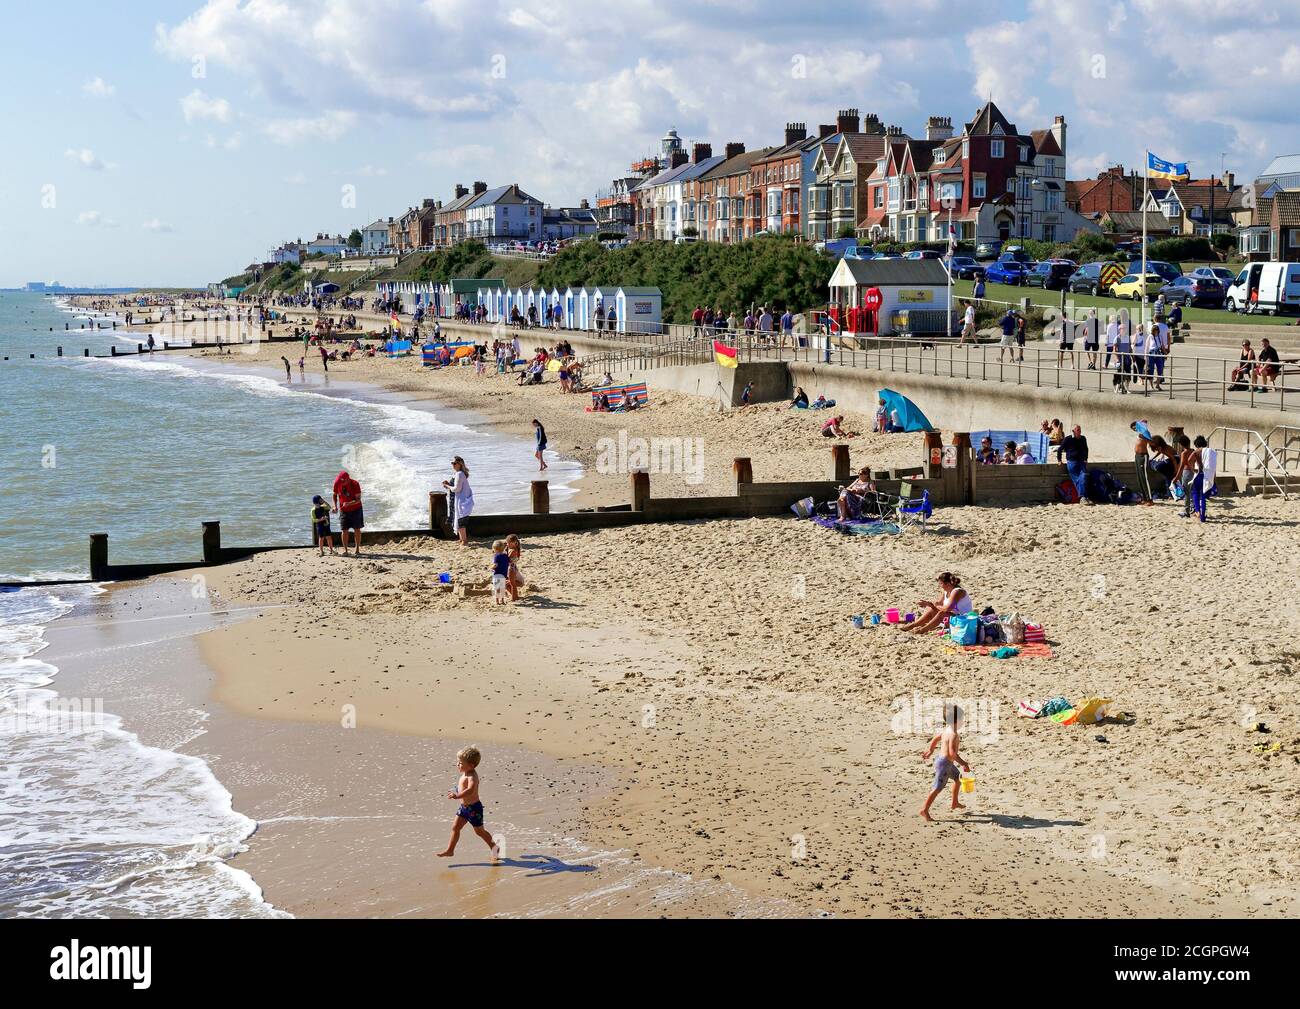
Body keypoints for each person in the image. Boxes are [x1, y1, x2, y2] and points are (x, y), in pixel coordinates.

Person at [436, 745, 499, 860]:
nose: (457, 764)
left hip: (474, 809)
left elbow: (470, 790)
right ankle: (450, 850)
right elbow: (462, 787)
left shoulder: (472, 776)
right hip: (464, 808)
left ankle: (494, 847)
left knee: (479, 832)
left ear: (471, 765)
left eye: (460, 763)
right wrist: (455, 790)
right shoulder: (465, 773)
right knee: (455, 827)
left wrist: (457, 796)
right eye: (458, 762)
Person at [920, 703, 972, 821]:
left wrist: (930, 750)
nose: (963, 722)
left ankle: (954, 802)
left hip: (944, 761)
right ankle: (924, 809)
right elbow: (952, 754)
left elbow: (936, 738)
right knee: (937, 788)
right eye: (962, 720)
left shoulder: (946, 730)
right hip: (944, 764)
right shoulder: (953, 735)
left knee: (958, 779)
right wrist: (964, 763)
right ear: (956, 721)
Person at [902, 571, 972, 635]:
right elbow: (938, 603)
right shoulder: (947, 591)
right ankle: (915, 625)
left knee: (941, 613)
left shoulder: (957, 591)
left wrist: (933, 606)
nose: (940, 586)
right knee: (930, 608)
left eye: (940, 583)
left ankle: (923, 629)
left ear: (947, 584)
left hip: (963, 621)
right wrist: (928, 604)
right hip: (953, 617)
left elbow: (947, 608)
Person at [443, 456, 474, 546]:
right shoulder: (459, 474)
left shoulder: (459, 474)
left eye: (454, 463)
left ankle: (464, 541)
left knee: (461, 521)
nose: (453, 465)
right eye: (452, 463)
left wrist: (447, 486)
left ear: (460, 464)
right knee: (460, 520)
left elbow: (457, 489)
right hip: (462, 499)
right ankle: (461, 539)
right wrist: (449, 484)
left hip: (462, 501)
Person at [1056, 424, 1090, 503]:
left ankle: (1083, 497)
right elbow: (1060, 449)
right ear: (1073, 431)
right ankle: (1084, 498)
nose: (1079, 432)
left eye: (1080, 430)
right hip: (1072, 462)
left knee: (1083, 477)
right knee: (1077, 479)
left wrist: (1085, 458)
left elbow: (1086, 449)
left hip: (1081, 462)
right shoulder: (1068, 439)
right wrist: (1059, 460)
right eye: (1078, 430)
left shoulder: (1083, 438)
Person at [1172, 435, 1204, 521]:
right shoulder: (1193, 451)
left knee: (1187, 493)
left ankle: (1187, 511)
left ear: (1181, 444)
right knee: (1193, 492)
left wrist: (1177, 476)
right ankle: (1194, 509)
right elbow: (1198, 462)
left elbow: (1182, 465)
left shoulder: (1184, 453)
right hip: (1193, 472)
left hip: (1186, 473)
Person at [332, 470, 364, 555]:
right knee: (344, 530)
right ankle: (345, 550)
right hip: (344, 510)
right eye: (341, 481)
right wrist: (335, 506)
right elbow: (334, 495)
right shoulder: (337, 483)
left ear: (348, 479)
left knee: (357, 529)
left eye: (344, 481)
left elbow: (358, 500)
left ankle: (357, 549)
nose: (342, 483)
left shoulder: (355, 484)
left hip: (356, 509)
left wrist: (349, 503)